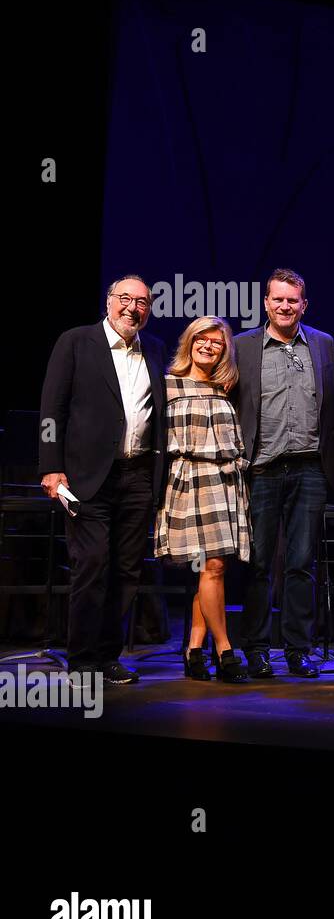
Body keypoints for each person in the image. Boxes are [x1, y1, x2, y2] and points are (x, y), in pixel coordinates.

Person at [38, 275, 167, 684]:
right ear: (109, 301)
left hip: (138, 477)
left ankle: (109, 656)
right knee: (92, 564)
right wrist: (49, 467)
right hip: (85, 477)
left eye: (142, 302)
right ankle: (82, 660)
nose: (133, 307)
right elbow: (51, 410)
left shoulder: (156, 349)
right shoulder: (76, 341)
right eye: (125, 298)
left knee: (127, 570)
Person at [232, 268, 334, 679]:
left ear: (304, 304)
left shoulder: (322, 344)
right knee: (259, 563)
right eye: (277, 299)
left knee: (301, 563)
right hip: (261, 468)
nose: (285, 306)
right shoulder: (242, 346)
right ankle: (257, 648)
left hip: (310, 469)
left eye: (293, 300)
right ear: (266, 302)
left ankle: (298, 649)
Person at [155, 317, 250, 682]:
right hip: (188, 481)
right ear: (190, 343)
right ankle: (225, 650)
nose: (209, 346)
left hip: (224, 481)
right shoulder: (168, 385)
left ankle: (194, 650)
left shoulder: (227, 387)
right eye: (202, 340)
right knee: (211, 569)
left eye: (218, 342)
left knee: (212, 570)